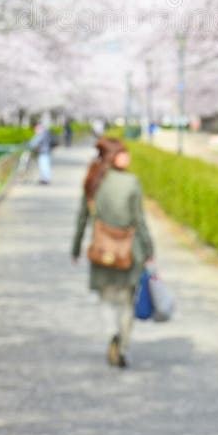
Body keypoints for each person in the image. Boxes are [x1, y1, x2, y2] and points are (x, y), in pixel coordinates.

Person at [71, 137, 154, 368]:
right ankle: (123, 345)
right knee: (127, 300)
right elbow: (140, 221)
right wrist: (149, 249)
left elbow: (82, 218)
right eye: (123, 153)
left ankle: (111, 334)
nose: (128, 157)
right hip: (129, 251)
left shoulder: (93, 182)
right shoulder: (131, 183)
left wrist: (76, 247)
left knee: (106, 297)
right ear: (111, 156)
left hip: (101, 249)